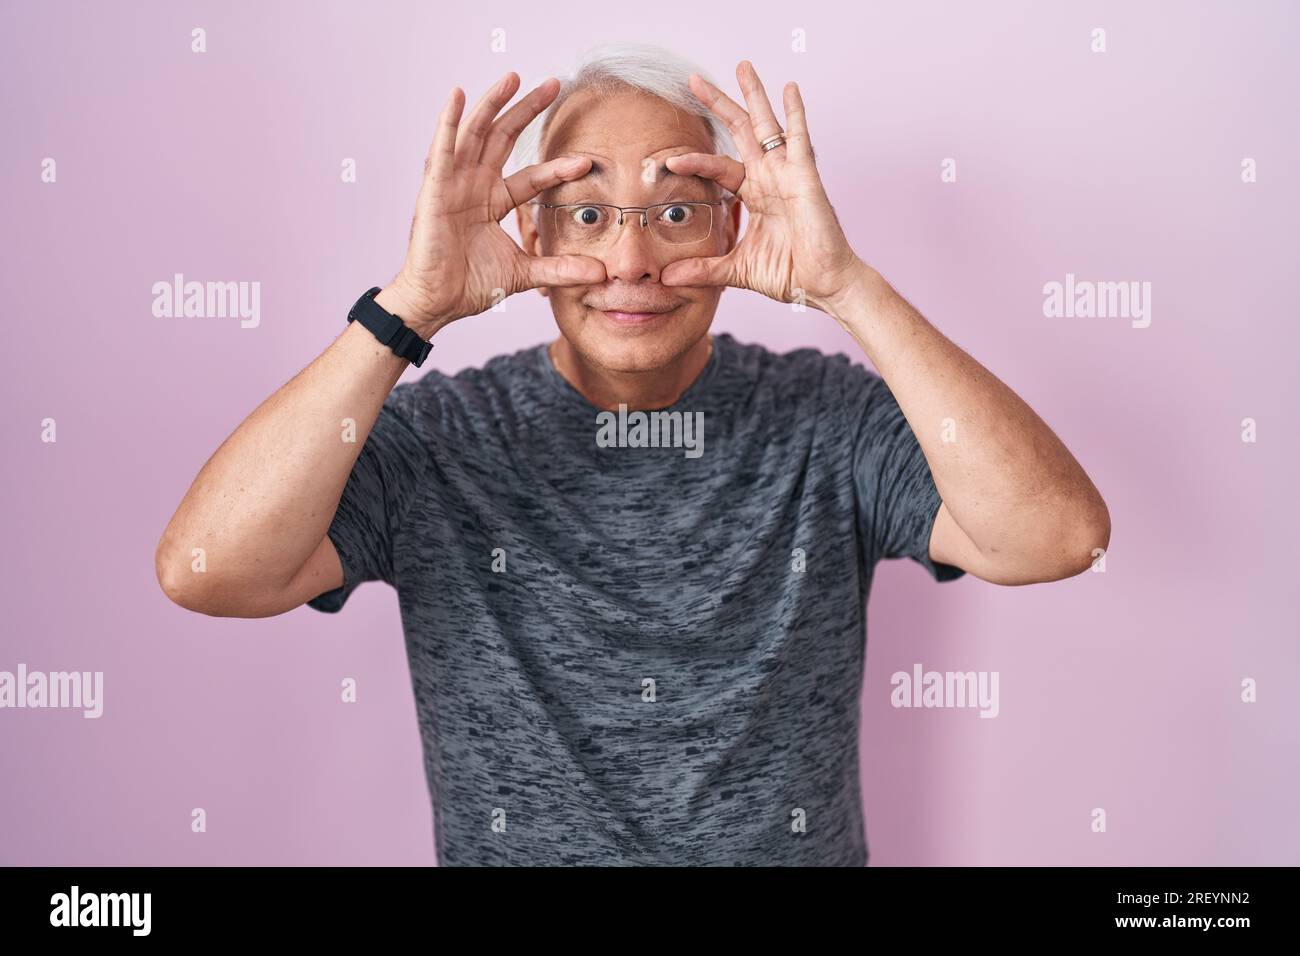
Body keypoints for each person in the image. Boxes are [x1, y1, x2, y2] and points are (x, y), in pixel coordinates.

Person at [155, 43, 1110, 866]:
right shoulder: (438, 439)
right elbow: (208, 570)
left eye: (676, 212)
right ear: (529, 231)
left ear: (733, 225)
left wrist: (846, 288)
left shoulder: (829, 419)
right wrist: (408, 309)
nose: (630, 263)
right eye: (587, 213)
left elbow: (1058, 538)